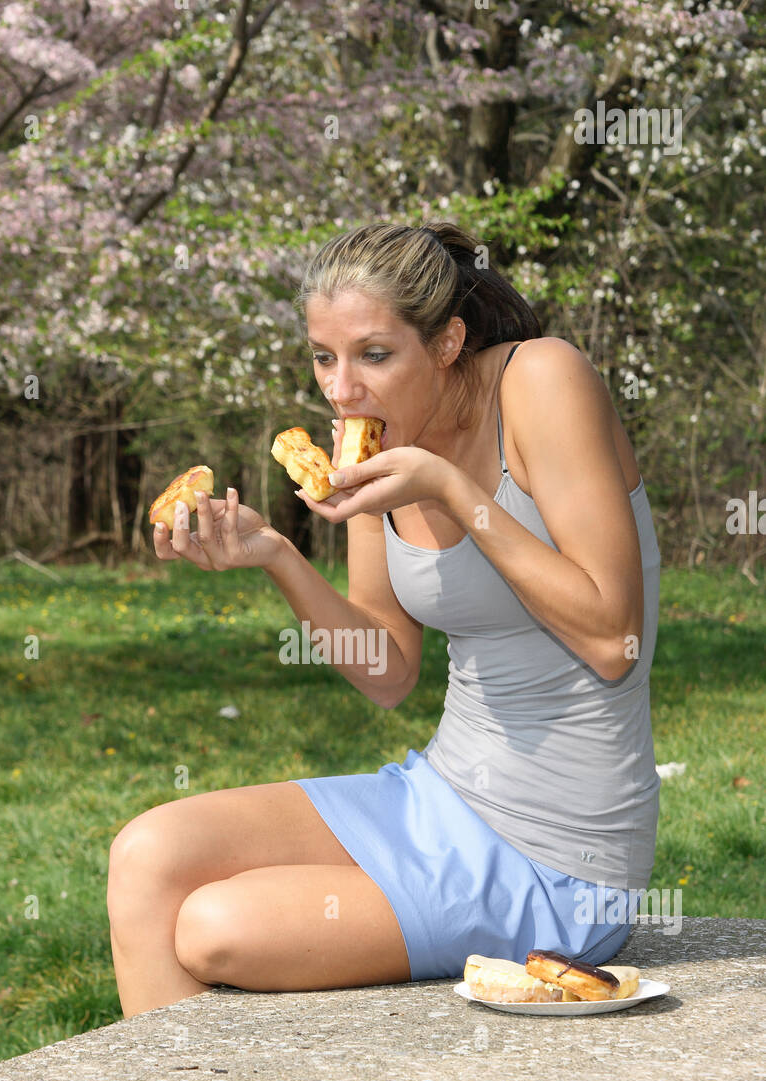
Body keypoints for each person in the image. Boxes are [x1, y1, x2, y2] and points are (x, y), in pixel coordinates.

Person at [107, 220, 661, 1019]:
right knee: (147, 856)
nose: (341, 390)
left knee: (214, 925)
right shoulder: (369, 445)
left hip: (562, 861)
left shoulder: (543, 381)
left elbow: (613, 638)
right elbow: (390, 672)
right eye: (323, 357)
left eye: (373, 355)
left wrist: (446, 489)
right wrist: (278, 557)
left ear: (446, 342)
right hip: (440, 796)